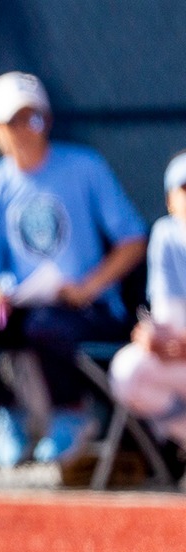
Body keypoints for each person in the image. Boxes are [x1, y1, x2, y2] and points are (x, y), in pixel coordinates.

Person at [0, 71, 147, 470]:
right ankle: (8, 412)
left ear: (46, 120)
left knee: (45, 325)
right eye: (11, 121)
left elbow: (133, 240)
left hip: (88, 312)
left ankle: (71, 412)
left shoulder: (85, 168)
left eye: (31, 118)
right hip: (22, 314)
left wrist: (87, 287)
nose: (23, 130)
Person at [108, 150, 186, 468]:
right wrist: (153, 333)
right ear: (170, 201)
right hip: (179, 360)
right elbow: (169, 318)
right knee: (127, 372)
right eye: (185, 190)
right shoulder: (166, 235)